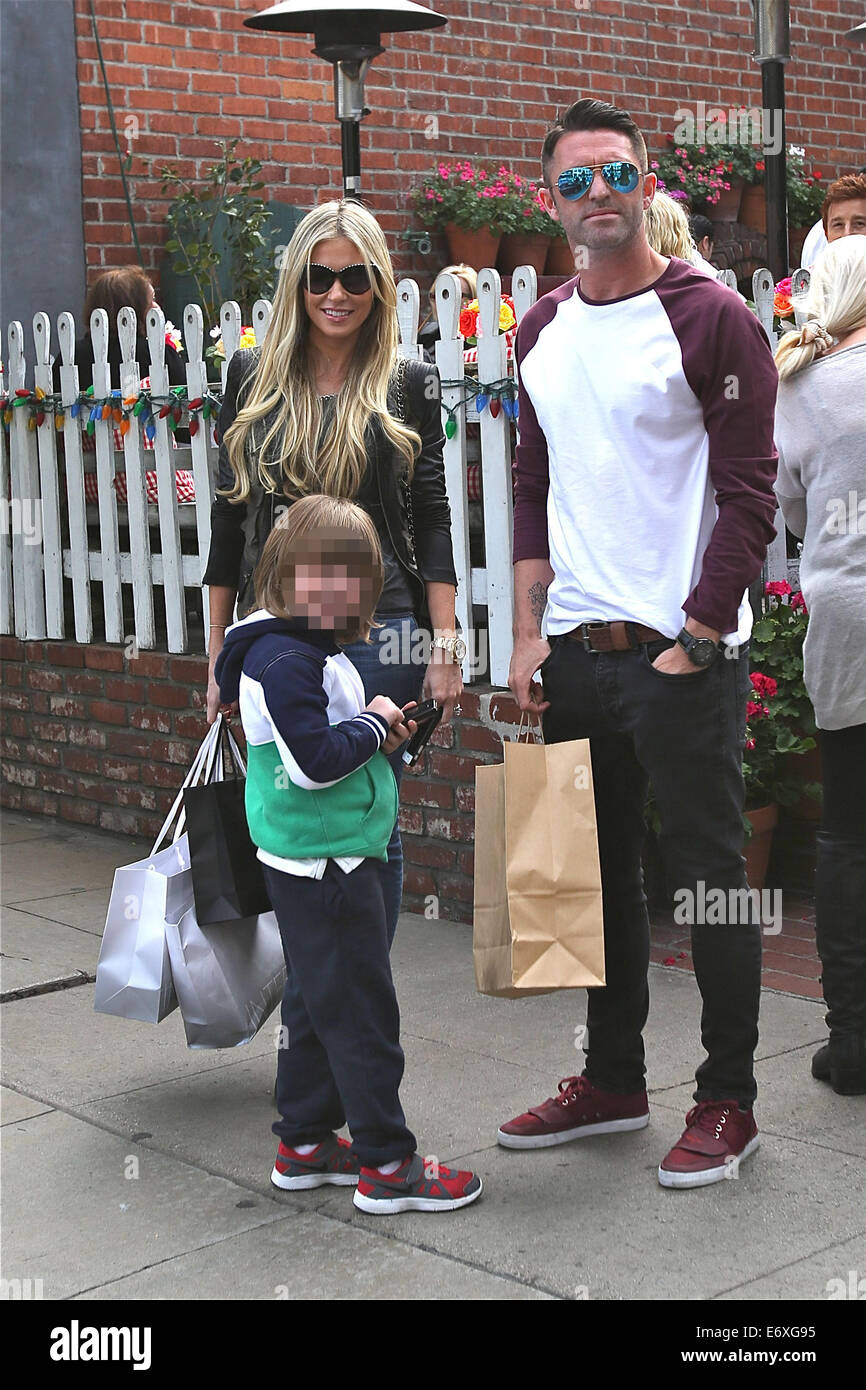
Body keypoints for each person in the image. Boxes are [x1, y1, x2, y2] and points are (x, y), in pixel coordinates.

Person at [502, 97, 779, 1188]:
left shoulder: (710, 318)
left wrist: (700, 630)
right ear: (550, 202)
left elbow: (751, 497)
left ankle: (726, 1099)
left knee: (710, 880)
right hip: (575, 650)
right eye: (573, 182)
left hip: (678, 653)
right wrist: (528, 634)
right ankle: (611, 1080)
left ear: (646, 181)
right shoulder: (539, 330)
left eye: (614, 175)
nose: (597, 197)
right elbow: (532, 486)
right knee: (587, 880)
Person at [202, 199, 463, 945]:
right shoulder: (252, 374)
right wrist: (219, 650)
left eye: (354, 277)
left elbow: (434, 517)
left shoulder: (406, 380)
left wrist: (445, 647)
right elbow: (227, 520)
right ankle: (319, 997)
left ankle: (356, 985)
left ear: (378, 283)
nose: (336, 293)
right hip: (277, 629)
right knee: (293, 810)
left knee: (366, 803)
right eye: (319, 277)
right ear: (297, 283)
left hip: (380, 628)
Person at [214, 494, 482, 1212]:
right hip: (329, 861)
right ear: (282, 570)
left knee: (316, 999)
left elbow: (332, 741)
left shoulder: (286, 645)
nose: (340, 592)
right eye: (320, 575)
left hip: (311, 857)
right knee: (363, 1011)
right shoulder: (288, 662)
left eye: (355, 579)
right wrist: (371, 723)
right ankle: (388, 1165)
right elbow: (315, 764)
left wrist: (376, 729)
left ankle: (303, 1144)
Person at [773, 236, 866, 1095]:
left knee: (846, 829)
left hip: (846, 618)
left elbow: (793, 508)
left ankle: (853, 1042)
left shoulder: (802, 386)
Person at [53, 267, 185, 392]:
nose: (156, 307)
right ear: (133, 307)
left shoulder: (71, 356)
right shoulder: (158, 353)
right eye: (150, 301)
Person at [801, 169, 866, 268]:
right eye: (838, 225)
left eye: (859, 223)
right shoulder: (810, 280)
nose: (847, 233)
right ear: (826, 233)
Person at [418, 262, 477, 358]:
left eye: (451, 294)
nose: (441, 301)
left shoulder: (480, 341)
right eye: (436, 295)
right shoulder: (425, 337)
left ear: (473, 299)